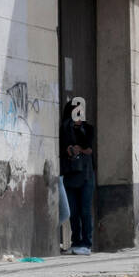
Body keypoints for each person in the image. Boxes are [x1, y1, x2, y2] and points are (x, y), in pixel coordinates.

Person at [60, 104, 97, 254]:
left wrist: (79, 146)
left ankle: (86, 244)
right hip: (70, 174)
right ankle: (76, 242)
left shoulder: (87, 128)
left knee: (85, 210)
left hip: (86, 175)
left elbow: (88, 147)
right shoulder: (64, 129)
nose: (79, 118)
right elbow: (63, 147)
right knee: (73, 211)